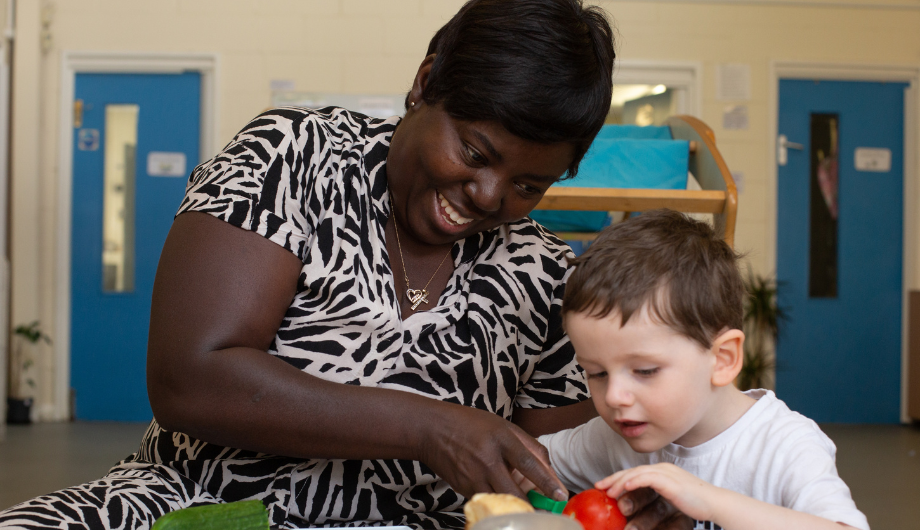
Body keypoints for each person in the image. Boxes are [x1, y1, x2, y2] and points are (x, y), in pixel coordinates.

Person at [0, 2, 683, 530]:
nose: (488, 197)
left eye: (528, 185)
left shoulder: (540, 272)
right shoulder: (291, 157)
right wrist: (429, 425)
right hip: (203, 505)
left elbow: (556, 472)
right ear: (424, 85)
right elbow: (191, 378)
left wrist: (627, 497)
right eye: (475, 153)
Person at [537, 209, 870, 530]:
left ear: (722, 359)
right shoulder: (611, 438)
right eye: (597, 373)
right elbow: (526, 464)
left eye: (645, 370)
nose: (614, 396)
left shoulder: (785, 446)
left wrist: (710, 501)